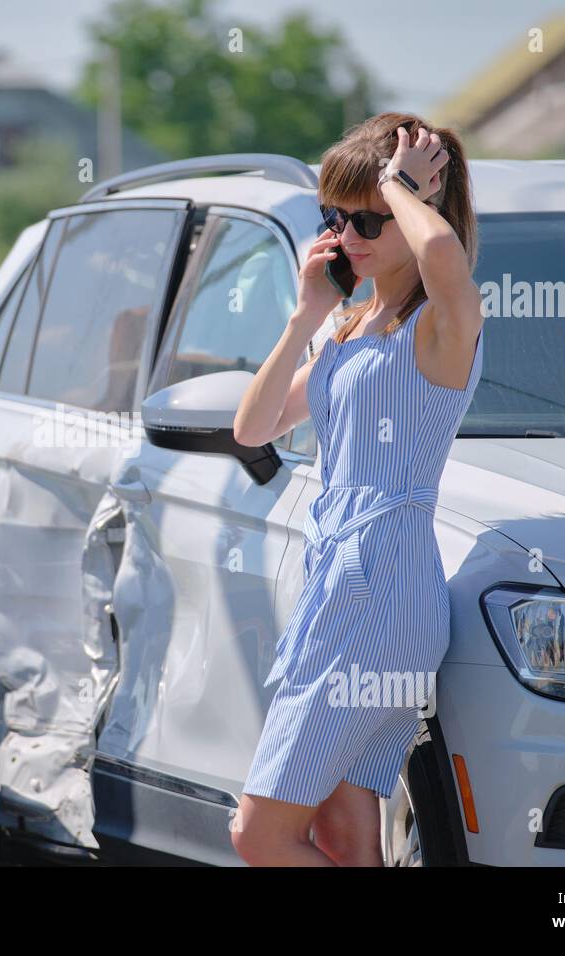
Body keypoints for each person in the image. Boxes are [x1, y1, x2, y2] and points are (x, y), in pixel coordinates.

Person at [229, 113, 483, 866]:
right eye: (335, 216)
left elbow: (441, 253)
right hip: (337, 585)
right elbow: (255, 426)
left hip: (383, 583)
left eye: (371, 215)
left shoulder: (442, 322)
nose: (349, 233)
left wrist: (401, 190)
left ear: (420, 203)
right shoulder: (348, 327)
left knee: (258, 835)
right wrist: (306, 313)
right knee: (343, 837)